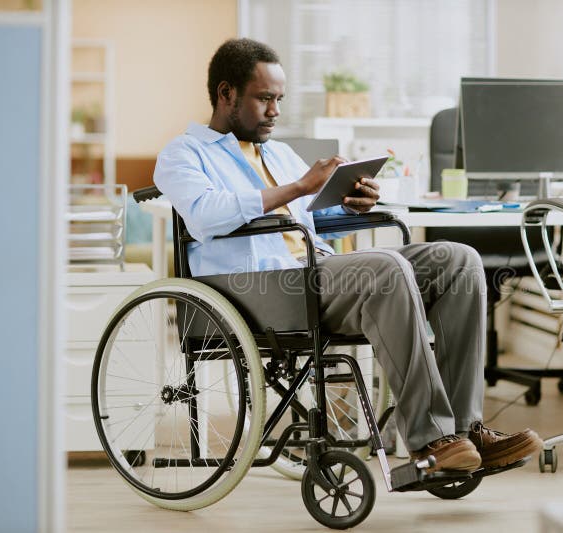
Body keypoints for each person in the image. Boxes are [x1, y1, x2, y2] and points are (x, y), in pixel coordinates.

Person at [154, 38, 542, 473]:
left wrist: (350, 202)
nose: (275, 111)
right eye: (264, 99)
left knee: (460, 261)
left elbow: (305, 218)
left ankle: (466, 430)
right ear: (226, 94)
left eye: (279, 99)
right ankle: (431, 440)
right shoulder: (183, 154)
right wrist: (301, 186)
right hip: (253, 290)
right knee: (386, 267)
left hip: (310, 275)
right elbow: (207, 216)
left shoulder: (279, 155)